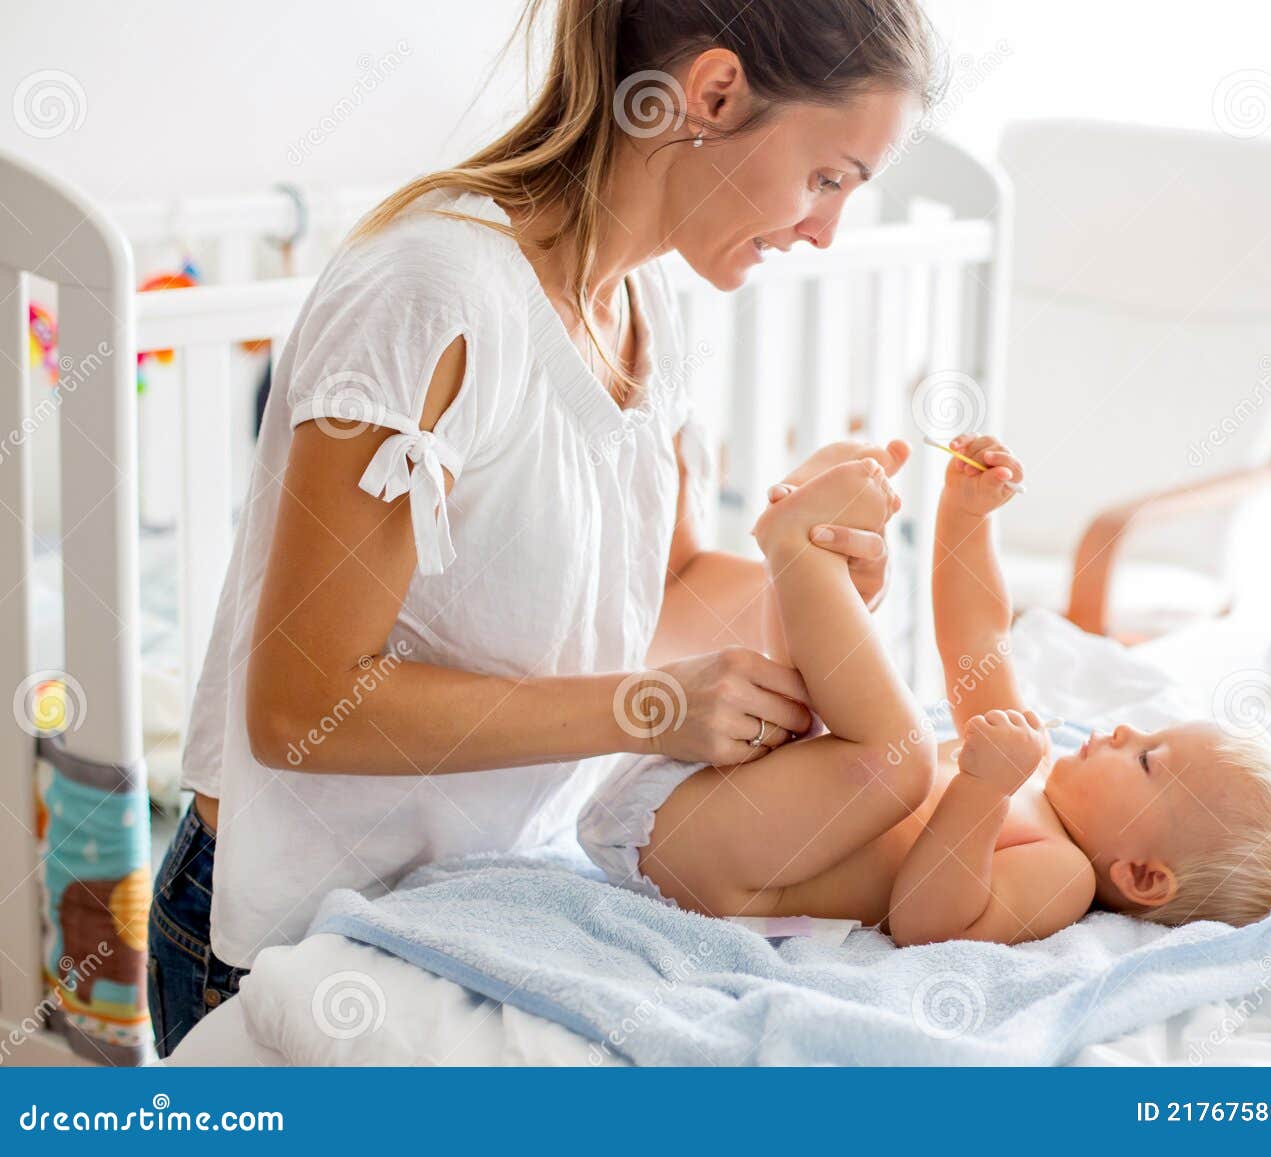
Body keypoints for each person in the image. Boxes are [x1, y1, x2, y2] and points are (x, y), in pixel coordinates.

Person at [148, 0, 939, 1056]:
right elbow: (304, 706)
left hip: (463, 909)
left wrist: (808, 579)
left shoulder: (648, 307)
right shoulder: (431, 294)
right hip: (282, 930)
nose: (824, 229)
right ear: (710, 96)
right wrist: (645, 709)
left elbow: (665, 587)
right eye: (828, 176)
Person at [579, 436, 1271, 943]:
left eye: (1148, 761)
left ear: (1141, 874)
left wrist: (979, 792)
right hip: (721, 784)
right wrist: (966, 517)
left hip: (718, 864)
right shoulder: (1033, 759)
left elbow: (926, 923)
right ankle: (817, 543)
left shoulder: (1062, 875)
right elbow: (976, 639)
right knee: (826, 710)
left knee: (894, 756)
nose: (1125, 733)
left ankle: (798, 552)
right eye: (1149, 730)